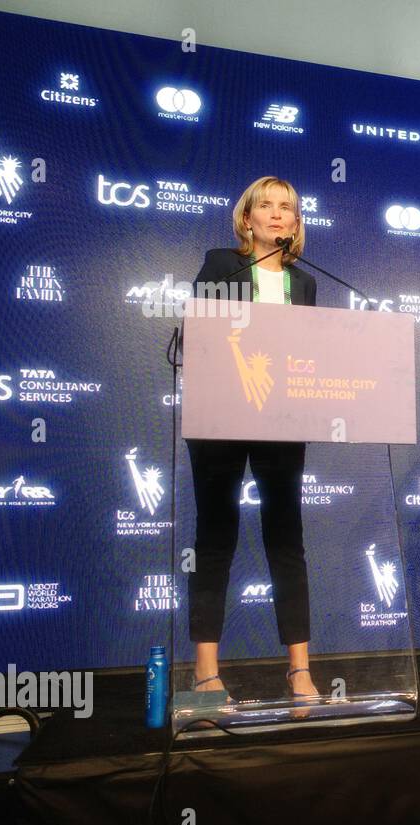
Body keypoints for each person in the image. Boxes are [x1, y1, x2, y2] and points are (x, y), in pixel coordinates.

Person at [187, 175, 321, 701]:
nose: (276, 214)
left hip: (282, 423)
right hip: (220, 421)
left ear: (295, 222)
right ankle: (205, 671)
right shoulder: (222, 265)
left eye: (286, 207)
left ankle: (300, 671)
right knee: (215, 538)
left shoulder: (306, 284)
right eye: (265, 205)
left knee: (286, 539)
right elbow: (200, 335)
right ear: (247, 219)